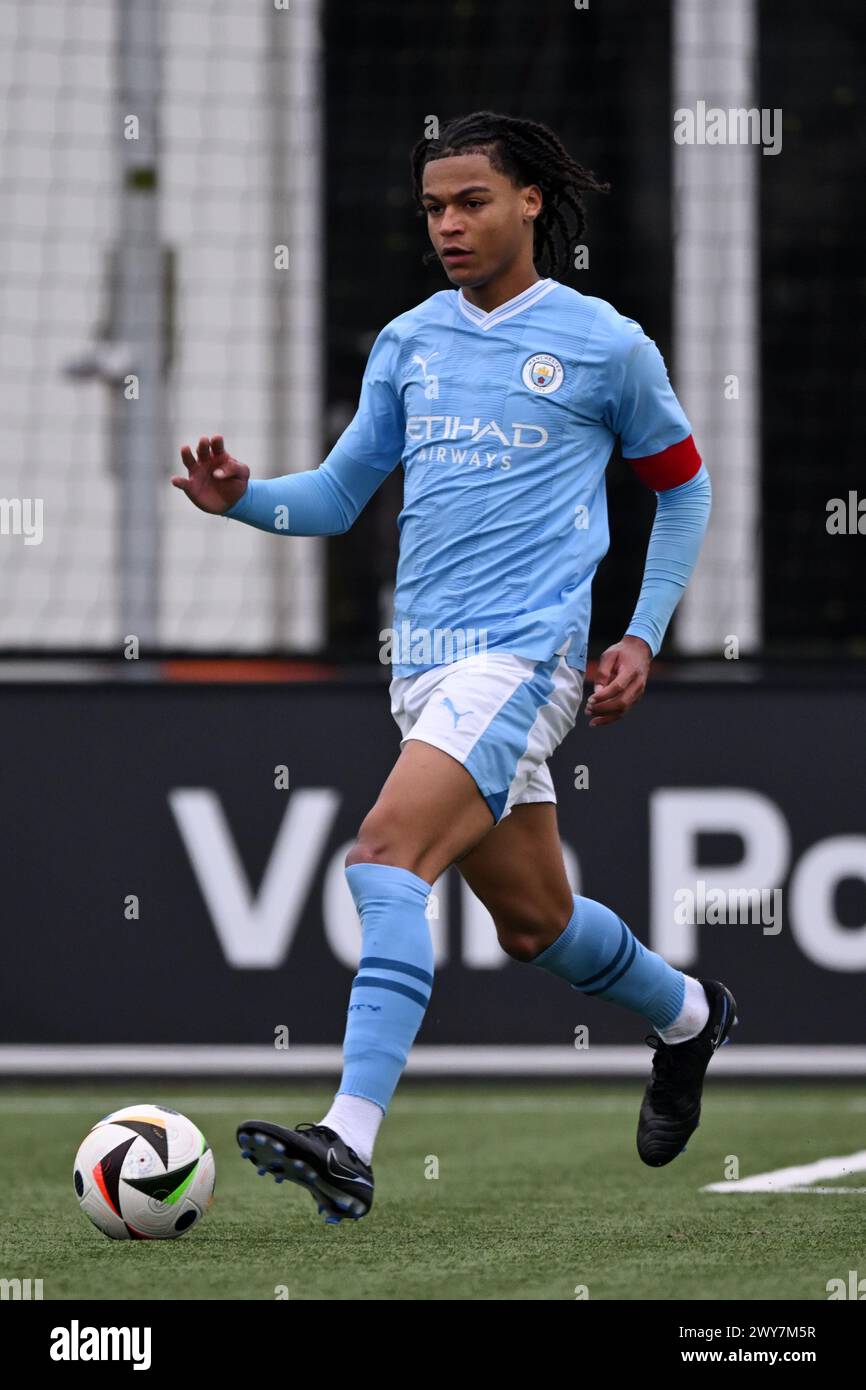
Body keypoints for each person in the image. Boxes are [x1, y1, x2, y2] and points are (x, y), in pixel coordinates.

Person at [173, 111, 737, 1225]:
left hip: (523, 661)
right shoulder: (408, 342)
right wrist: (246, 499)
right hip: (421, 673)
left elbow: (683, 488)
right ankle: (687, 1015)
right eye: (434, 205)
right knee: (534, 926)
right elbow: (336, 498)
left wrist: (641, 632)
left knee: (383, 855)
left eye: (470, 200)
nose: (448, 224)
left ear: (531, 201)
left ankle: (349, 1134)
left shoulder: (603, 345)